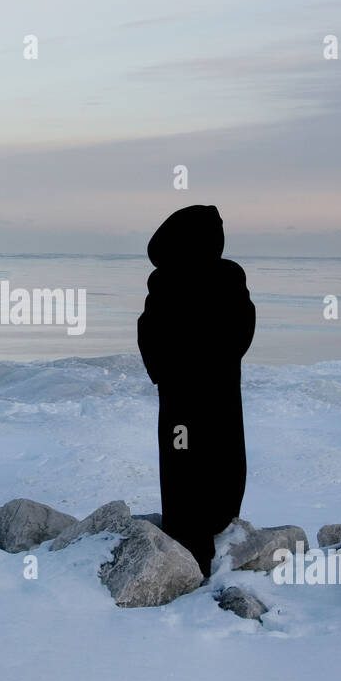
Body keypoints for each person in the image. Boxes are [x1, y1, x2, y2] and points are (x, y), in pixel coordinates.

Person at [137, 204, 255, 577]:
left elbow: (149, 332)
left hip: (183, 393)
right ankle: (214, 534)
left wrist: (168, 370)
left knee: (185, 461)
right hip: (214, 389)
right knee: (218, 457)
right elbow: (243, 328)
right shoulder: (227, 276)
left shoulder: (166, 280)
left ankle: (189, 545)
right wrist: (216, 361)